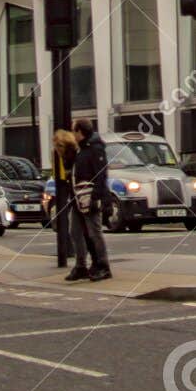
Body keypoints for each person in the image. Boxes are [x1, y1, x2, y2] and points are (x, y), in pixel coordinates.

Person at [68, 118, 111, 282]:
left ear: (79, 132)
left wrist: (95, 198)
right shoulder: (81, 149)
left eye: (74, 131)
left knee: (94, 233)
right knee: (75, 232)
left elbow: (101, 175)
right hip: (78, 198)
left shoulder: (95, 148)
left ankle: (103, 266)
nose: (72, 134)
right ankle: (81, 266)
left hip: (90, 197)